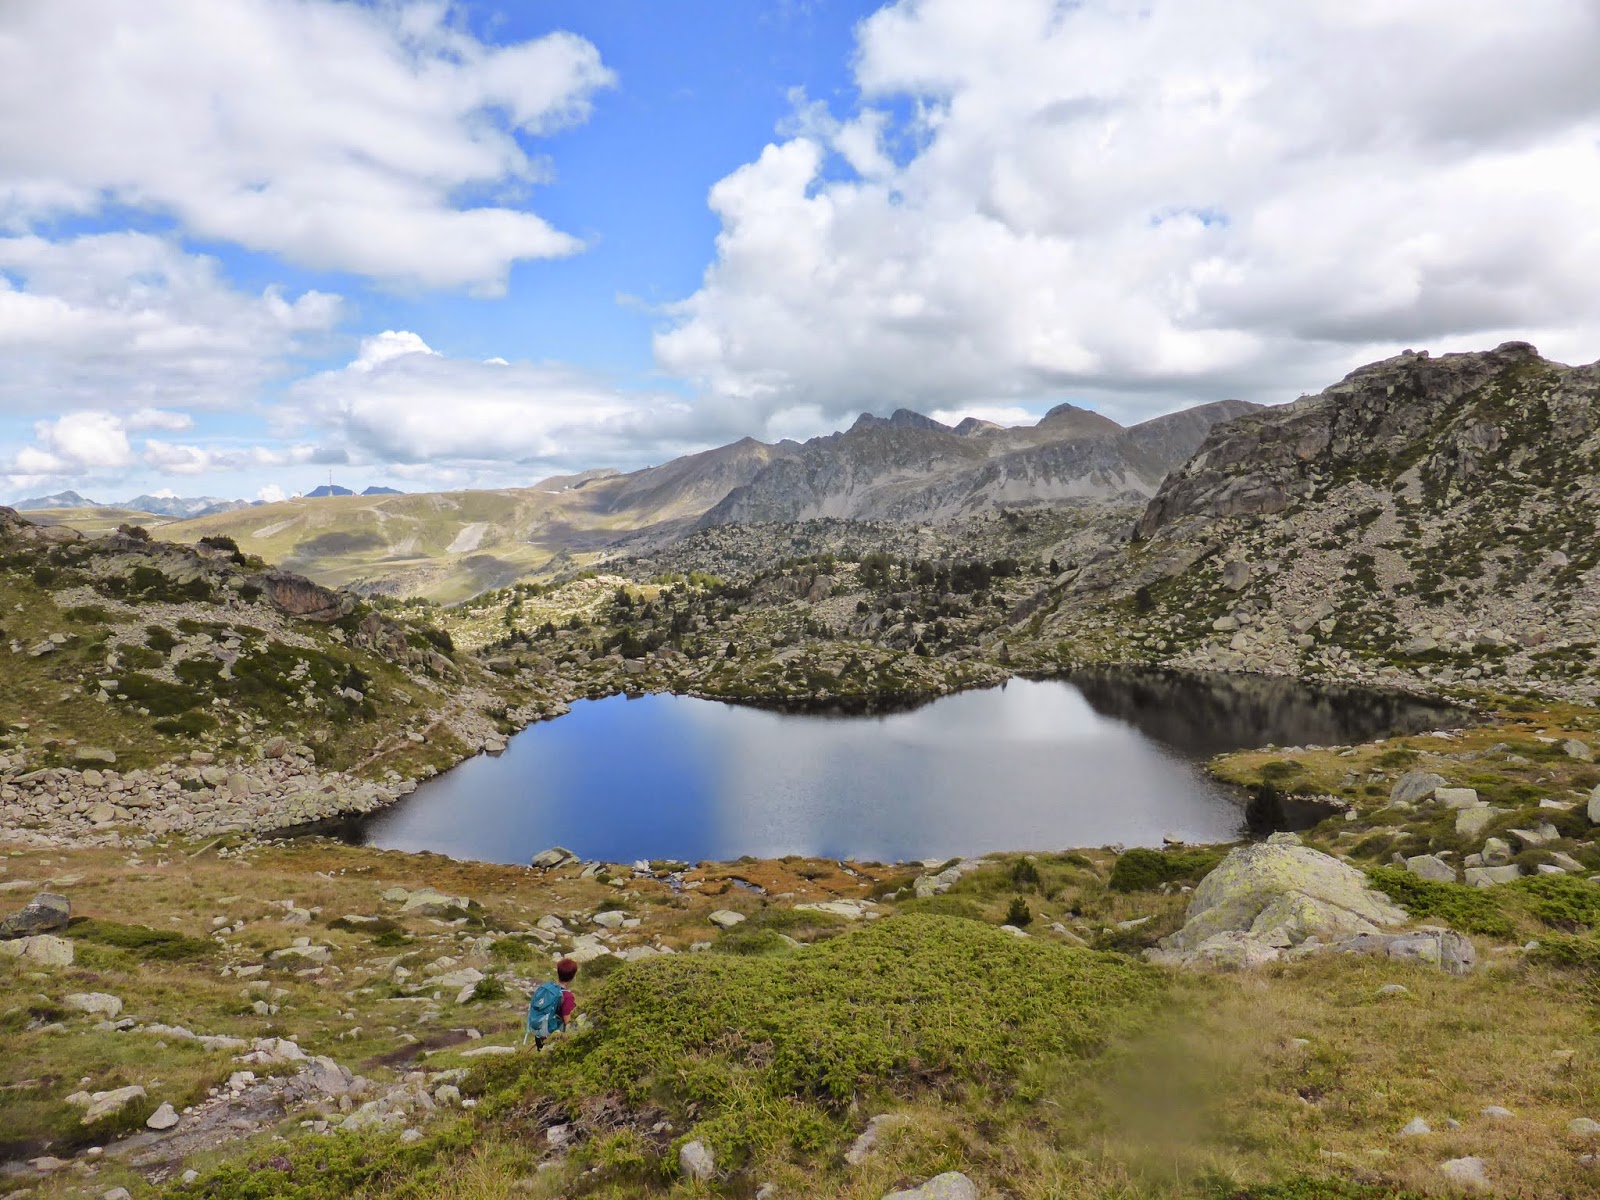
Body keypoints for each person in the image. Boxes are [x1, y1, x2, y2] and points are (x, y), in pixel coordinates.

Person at [525, 957, 579, 1049]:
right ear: (572, 976)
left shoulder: (547, 987)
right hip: (553, 1038)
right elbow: (568, 1022)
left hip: (540, 1034)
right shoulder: (567, 996)